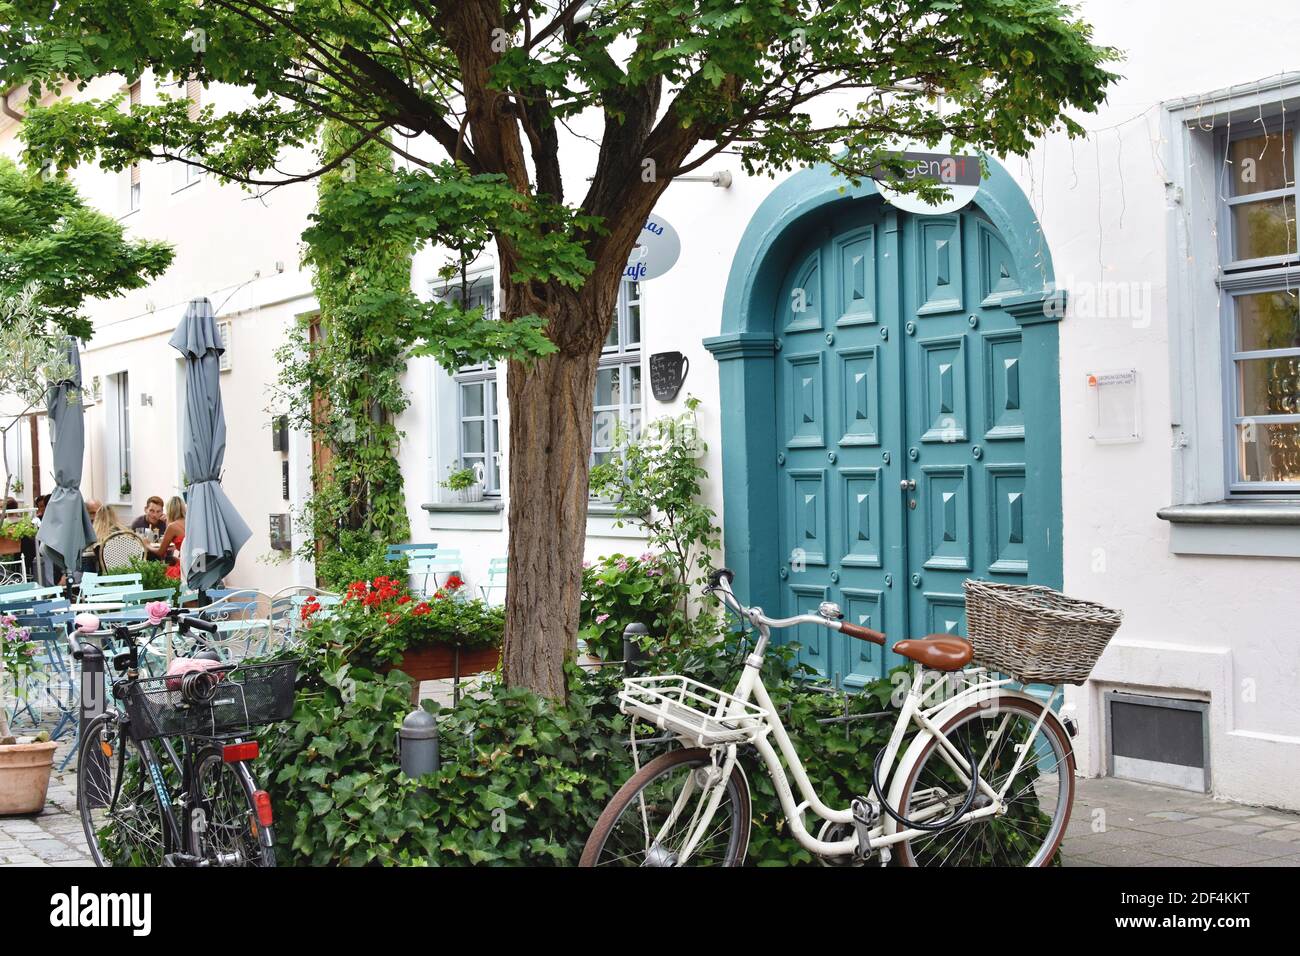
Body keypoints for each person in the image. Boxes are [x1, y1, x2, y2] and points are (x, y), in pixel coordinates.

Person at [147, 496, 186, 565]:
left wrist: (147, 545)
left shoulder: (172, 526)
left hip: (184, 566)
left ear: (169, 509)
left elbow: (160, 552)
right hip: (193, 562)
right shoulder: (190, 522)